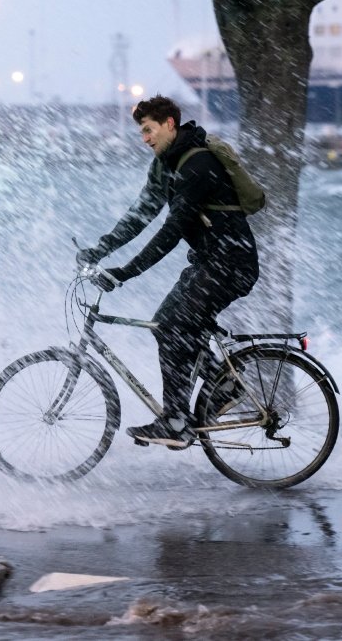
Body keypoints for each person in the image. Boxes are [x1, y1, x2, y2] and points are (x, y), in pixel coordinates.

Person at [78, 95, 259, 449]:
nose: (145, 139)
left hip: (232, 265)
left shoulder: (197, 165)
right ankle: (223, 386)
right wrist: (99, 250)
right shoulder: (166, 165)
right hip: (209, 263)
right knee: (167, 324)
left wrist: (124, 273)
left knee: (176, 327)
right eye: (141, 132)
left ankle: (177, 421)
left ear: (170, 125)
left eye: (149, 130)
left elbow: (171, 232)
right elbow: (140, 215)